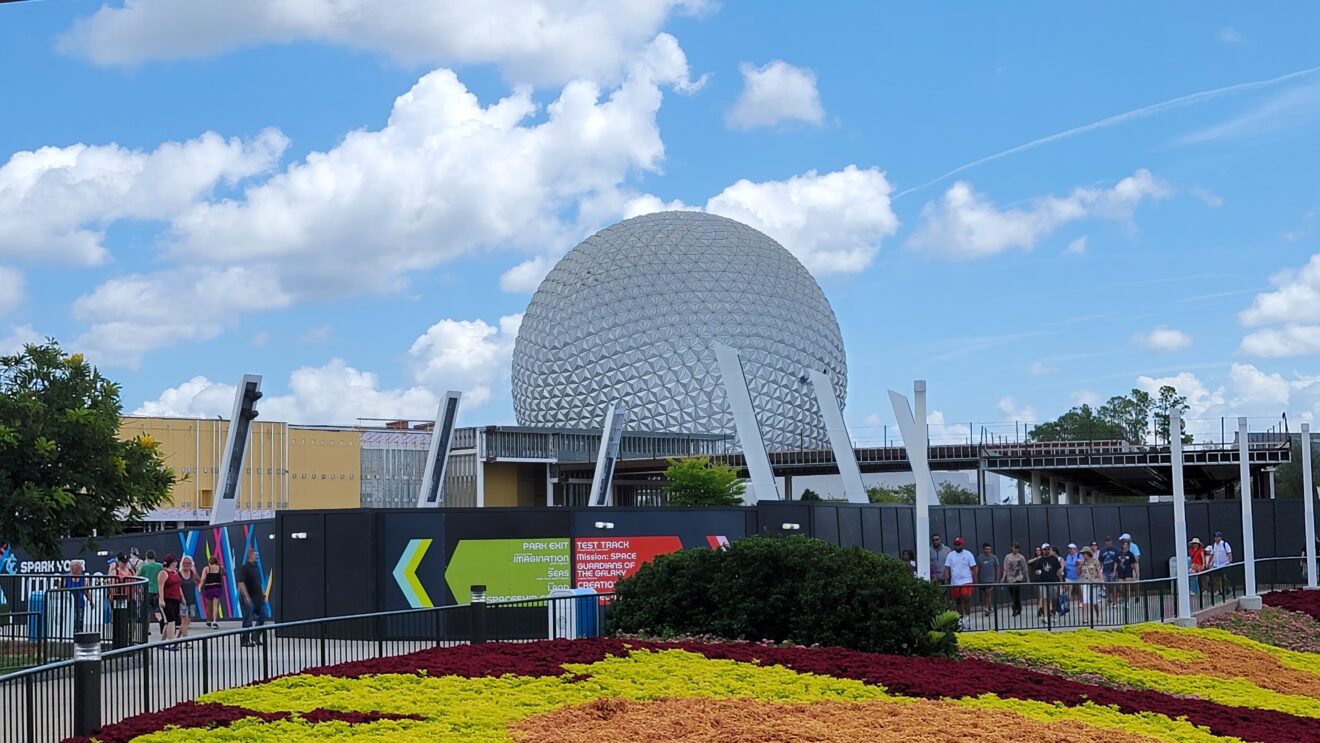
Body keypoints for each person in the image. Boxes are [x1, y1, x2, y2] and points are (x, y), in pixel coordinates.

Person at [236, 549, 267, 646]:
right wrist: (246, 597)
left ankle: (256, 636)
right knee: (248, 619)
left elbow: (259, 582)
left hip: (259, 598)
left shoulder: (256, 567)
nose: (257, 557)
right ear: (250, 556)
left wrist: (263, 594)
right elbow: (241, 583)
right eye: (255, 555)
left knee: (263, 616)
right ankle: (245, 640)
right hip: (250, 598)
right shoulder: (244, 568)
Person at [942, 537, 978, 617]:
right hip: (955, 582)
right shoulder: (950, 555)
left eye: (959, 544)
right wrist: (946, 579)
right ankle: (961, 619)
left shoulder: (968, 554)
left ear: (962, 544)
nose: (957, 546)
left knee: (966, 598)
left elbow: (973, 568)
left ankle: (968, 618)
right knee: (958, 601)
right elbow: (947, 568)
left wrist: (975, 581)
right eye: (955, 544)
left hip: (966, 580)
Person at [156, 554, 183, 649]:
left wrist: (182, 597)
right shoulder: (163, 573)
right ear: (172, 563)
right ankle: (172, 642)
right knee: (171, 620)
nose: (177, 563)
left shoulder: (175, 572)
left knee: (173, 620)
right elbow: (160, 586)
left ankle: (162, 642)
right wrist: (162, 599)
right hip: (167, 599)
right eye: (175, 561)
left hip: (176, 599)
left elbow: (178, 586)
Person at [137, 550, 164, 637]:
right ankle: (160, 620)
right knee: (157, 610)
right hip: (156, 591)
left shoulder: (144, 566)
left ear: (146, 557)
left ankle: (147, 629)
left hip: (147, 591)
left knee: (146, 611)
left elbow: (137, 575)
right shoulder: (160, 566)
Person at [65, 559, 93, 633]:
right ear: (72, 568)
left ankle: (79, 634)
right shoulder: (65, 578)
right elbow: (60, 590)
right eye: (78, 567)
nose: (80, 569)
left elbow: (87, 591)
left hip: (80, 603)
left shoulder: (83, 578)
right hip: (68, 604)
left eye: (80, 567)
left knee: (79, 620)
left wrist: (91, 601)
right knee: (70, 620)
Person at [1035, 543, 1062, 618]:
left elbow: (1059, 570)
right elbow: (1036, 570)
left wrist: (1061, 582)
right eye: (1045, 549)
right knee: (1045, 598)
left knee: (1054, 598)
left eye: (1048, 549)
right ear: (1042, 550)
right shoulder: (1040, 560)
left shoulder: (1054, 559)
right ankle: (1046, 616)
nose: (1047, 551)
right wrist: (1038, 572)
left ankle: (1053, 611)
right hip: (1043, 582)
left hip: (1053, 581)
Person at [200, 555, 227, 628]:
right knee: (215, 605)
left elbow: (203, 579)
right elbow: (225, 574)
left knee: (209, 606)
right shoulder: (220, 568)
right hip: (217, 587)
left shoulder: (206, 568)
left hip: (208, 588)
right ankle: (214, 621)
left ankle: (209, 620)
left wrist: (199, 587)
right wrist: (221, 567)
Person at [1002, 543, 1028, 616]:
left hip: (1018, 576)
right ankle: (1019, 606)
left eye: (1016, 548)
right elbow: (1005, 568)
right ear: (1011, 548)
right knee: (1012, 593)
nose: (1015, 549)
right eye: (1014, 548)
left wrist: (1027, 578)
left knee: (1016, 589)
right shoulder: (1007, 557)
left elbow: (1025, 568)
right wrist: (1003, 577)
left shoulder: (1021, 557)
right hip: (1010, 577)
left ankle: (1014, 608)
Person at [975, 543, 1000, 616]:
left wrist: (997, 578)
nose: (988, 550)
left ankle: (987, 608)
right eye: (987, 549)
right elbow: (976, 569)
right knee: (985, 594)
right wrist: (975, 579)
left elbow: (997, 567)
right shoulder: (979, 558)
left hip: (991, 579)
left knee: (988, 592)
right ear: (983, 549)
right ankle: (989, 607)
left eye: (989, 549)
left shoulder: (994, 557)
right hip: (983, 580)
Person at [1078, 545, 1102, 622]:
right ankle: (1086, 618)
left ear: (1088, 553)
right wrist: (1078, 567)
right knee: (1085, 600)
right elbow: (1078, 573)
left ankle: (1098, 615)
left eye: (1084, 553)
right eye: (1082, 553)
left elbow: (1099, 571)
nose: (1083, 555)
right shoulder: (1082, 563)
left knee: (1094, 601)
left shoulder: (1095, 561)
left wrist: (1101, 580)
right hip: (1085, 582)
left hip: (1094, 582)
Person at [178, 556, 198, 638]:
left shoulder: (193, 573)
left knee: (187, 621)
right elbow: (178, 587)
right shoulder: (178, 574)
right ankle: (185, 641)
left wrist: (198, 588)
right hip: (182, 601)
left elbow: (199, 580)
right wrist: (182, 598)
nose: (186, 565)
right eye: (184, 563)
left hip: (191, 599)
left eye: (188, 563)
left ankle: (176, 639)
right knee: (184, 620)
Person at [1208, 531, 1233, 595]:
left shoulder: (1225, 544)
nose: (1216, 538)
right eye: (1215, 537)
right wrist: (1208, 563)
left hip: (1224, 564)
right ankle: (1220, 591)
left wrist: (1229, 561)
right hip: (1216, 565)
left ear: (1220, 537)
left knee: (1224, 577)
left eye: (1217, 537)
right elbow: (1212, 555)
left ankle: (1228, 588)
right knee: (1217, 578)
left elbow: (1229, 553)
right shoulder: (1214, 545)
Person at [1098, 536, 1120, 603]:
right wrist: (1100, 570)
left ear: (1112, 542)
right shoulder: (1102, 551)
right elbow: (1100, 561)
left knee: (1114, 587)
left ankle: (1115, 601)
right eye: (1107, 541)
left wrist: (1114, 571)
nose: (1108, 542)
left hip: (1113, 571)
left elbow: (1117, 561)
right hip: (1105, 571)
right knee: (1107, 587)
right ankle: (1108, 599)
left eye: (1109, 541)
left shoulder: (1116, 550)